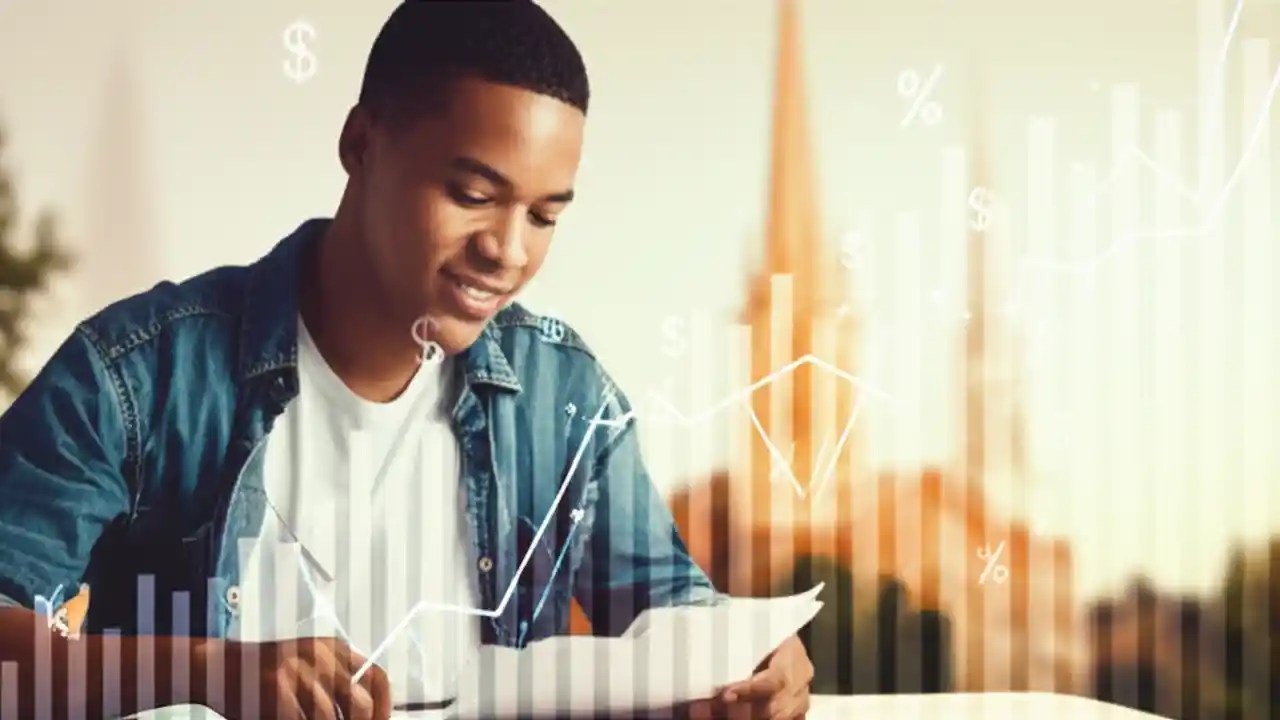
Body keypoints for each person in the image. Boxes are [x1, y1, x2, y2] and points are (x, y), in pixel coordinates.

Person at [0, 1, 813, 719]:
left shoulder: (563, 400)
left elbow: (674, 616)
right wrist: (208, 675)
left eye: (543, 216)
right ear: (361, 143)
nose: (506, 250)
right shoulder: (141, 377)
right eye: (472, 195)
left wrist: (755, 664)